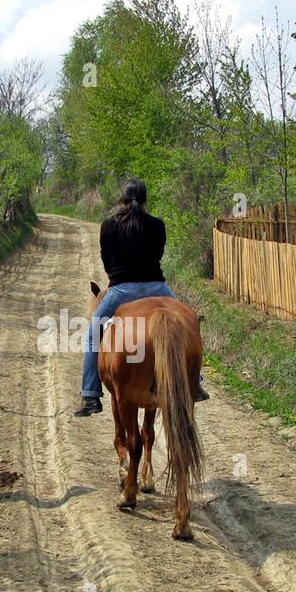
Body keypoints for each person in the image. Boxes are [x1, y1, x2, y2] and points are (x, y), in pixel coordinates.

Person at [75, 177, 208, 417]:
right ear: (146, 199)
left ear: (122, 199)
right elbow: (158, 254)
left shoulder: (108, 226)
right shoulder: (157, 225)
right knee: (190, 323)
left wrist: (116, 275)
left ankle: (90, 394)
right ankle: (195, 381)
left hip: (121, 290)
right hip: (158, 288)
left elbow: (107, 260)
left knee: (94, 332)